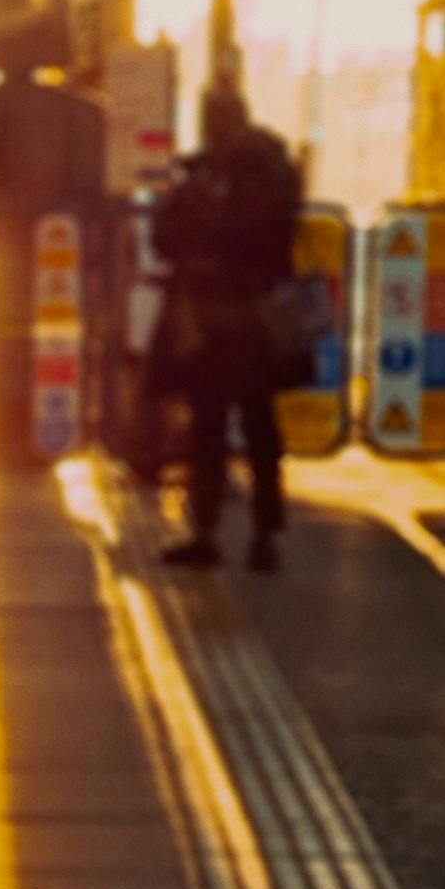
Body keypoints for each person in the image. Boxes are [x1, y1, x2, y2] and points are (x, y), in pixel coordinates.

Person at [151, 79, 303, 569]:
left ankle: (251, 533)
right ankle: (226, 531)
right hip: (221, 318)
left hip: (242, 316)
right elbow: (166, 235)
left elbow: (254, 232)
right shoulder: (212, 172)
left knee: (241, 428)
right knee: (222, 428)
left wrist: (208, 237)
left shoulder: (262, 170)